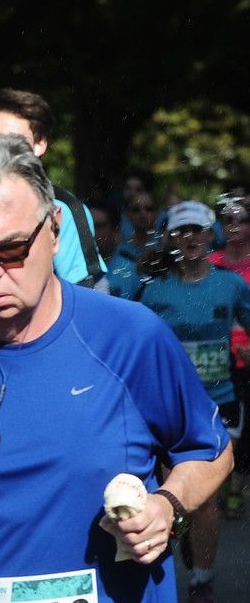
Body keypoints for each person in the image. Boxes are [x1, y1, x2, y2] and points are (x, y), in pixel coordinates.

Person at [0, 134, 233, 603]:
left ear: (54, 231)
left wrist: (167, 507)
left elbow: (211, 450)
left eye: (11, 249)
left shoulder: (130, 335)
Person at [138, 200, 250, 603]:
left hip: (218, 402)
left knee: (206, 496)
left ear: (208, 235)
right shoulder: (153, 290)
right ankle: (180, 545)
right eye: (181, 231)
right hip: (167, 407)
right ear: (170, 237)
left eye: (196, 230)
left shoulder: (231, 285)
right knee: (175, 493)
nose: (189, 238)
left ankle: (201, 580)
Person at [0, 88, 107, 287]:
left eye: (14, 141)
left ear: (40, 145)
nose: (1, 150)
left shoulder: (65, 209)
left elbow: (86, 292)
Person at [208, 192, 250, 520]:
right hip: (214, 356)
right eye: (228, 220)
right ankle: (217, 481)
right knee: (218, 421)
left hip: (247, 358)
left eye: (242, 219)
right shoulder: (210, 263)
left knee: (243, 426)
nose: (234, 225)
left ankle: (235, 487)